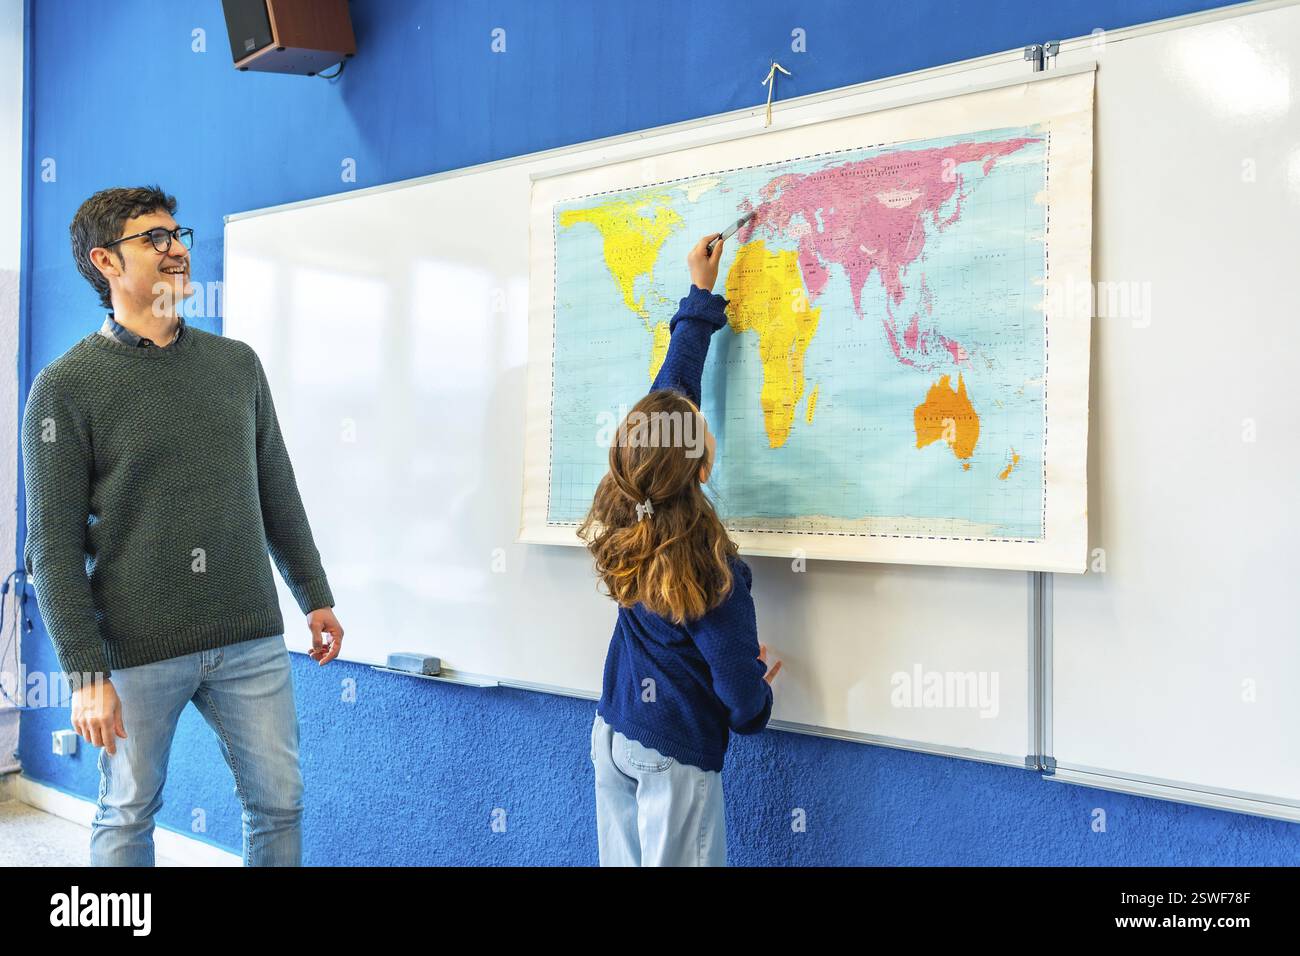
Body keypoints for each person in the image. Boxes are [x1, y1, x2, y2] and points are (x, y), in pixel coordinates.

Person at [20, 185, 344, 865]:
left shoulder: (236, 365)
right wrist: (85, 675)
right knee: (128, 811)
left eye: (178, 234)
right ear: (105, 262)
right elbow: (50, 549)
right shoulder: (66, 387)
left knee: (279, 803)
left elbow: (276, 489)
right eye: (155, 238)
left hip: (249, 634)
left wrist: (313, 594)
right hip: (135, 648)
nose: (176, 250)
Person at [580, 232, 783, 866]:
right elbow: (741, 698)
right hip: (674, 756)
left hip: (613, 734)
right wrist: (757, 692)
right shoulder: (711, 567)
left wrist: (701, 296)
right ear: (696, 467)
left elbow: (668, 404)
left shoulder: (623, 507)